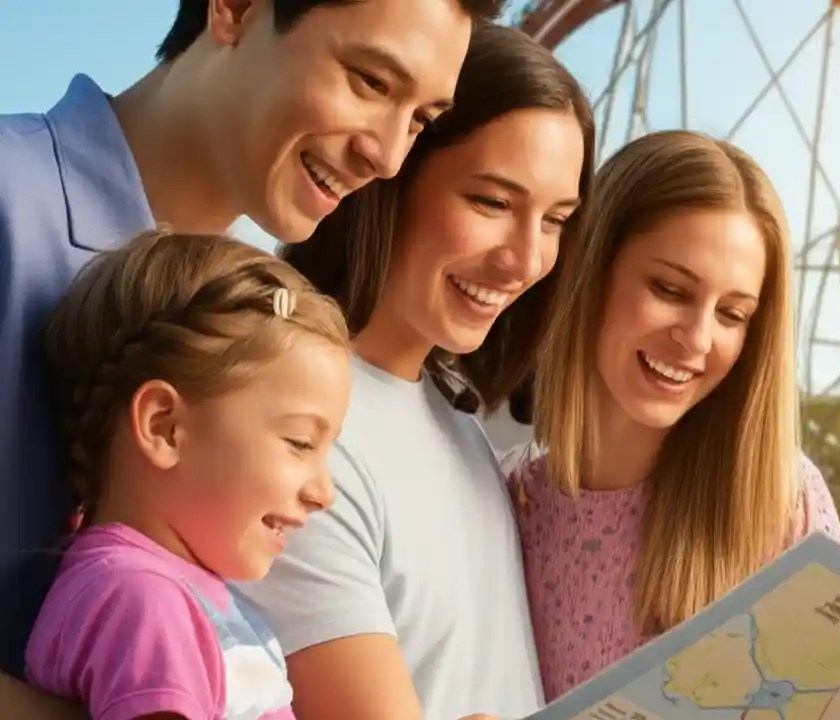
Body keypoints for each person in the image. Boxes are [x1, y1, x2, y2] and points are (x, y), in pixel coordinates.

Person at [0, 0, 500, 684]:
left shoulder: (266, 333)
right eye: (370, 81)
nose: (386, 156)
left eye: (419, 120)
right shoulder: (9, 203)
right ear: (233, 10)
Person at [234, 23, 595, 720]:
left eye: (554, 219)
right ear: (390, 178)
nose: (524, 260)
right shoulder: (299, 430)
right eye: (491, 203)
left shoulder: (455, 419)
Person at [506, 130, 840, 700]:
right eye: (669, 288)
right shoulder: (510, 498)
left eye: (733, 314)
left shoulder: (783, 501)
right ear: (591, 269)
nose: (696, 338)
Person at [25, 230, 352, 718]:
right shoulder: (140, 599)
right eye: (300, 443)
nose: (324, 493)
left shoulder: (173, 593)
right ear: (165, 427)